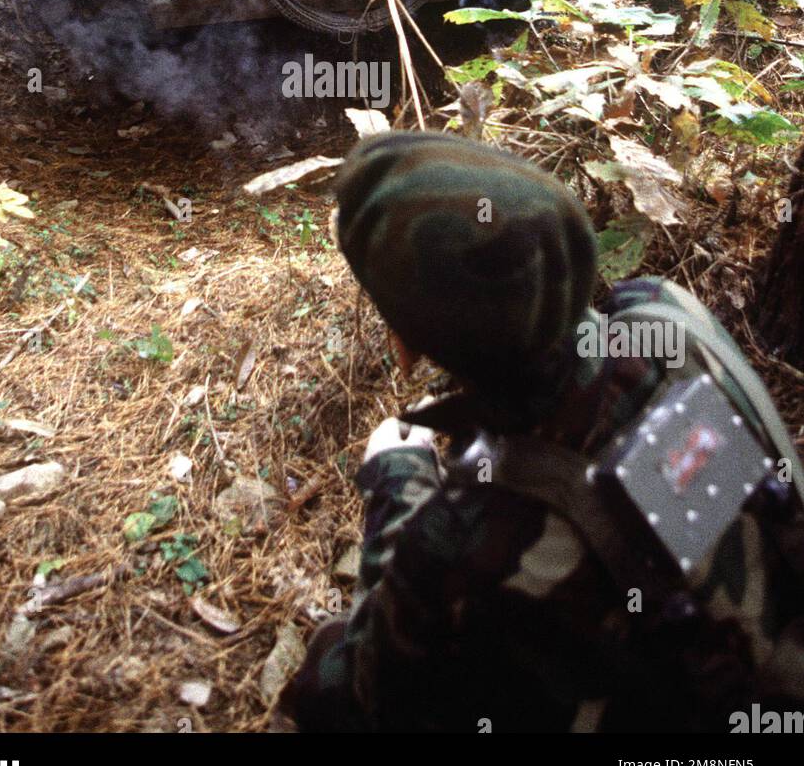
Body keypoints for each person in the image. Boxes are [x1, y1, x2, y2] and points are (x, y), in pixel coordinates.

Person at [284, 131, 804, 733]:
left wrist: (395, 478)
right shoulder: (666, 313)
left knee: (320, 682)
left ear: (405, 345)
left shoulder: (465, 541)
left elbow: (364, 692)